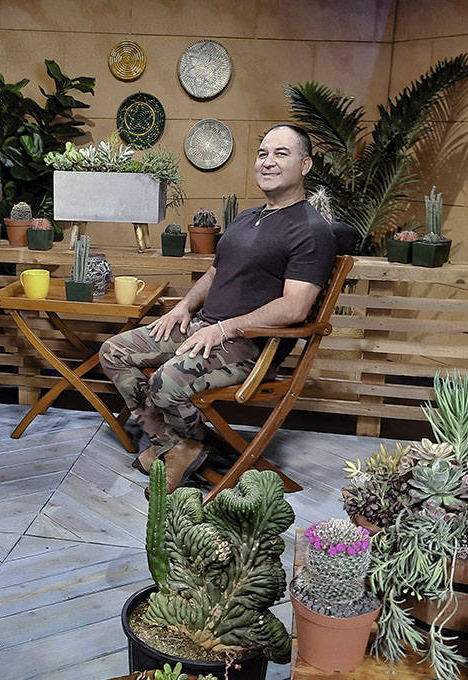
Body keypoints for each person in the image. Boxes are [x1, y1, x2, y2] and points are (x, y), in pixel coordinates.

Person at [100, 124, 338, 493]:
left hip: (250, 346)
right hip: (205, 328)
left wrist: (226, 328)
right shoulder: (247, 218)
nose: (268, 162)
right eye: (263, 154)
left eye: (281, 154)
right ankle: (176, 445)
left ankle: (184, 449)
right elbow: (215, 272)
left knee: (166, 381)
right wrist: (184, 307)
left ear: (305, 165)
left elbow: (296, 307)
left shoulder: (312, 230)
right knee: (114, 351)